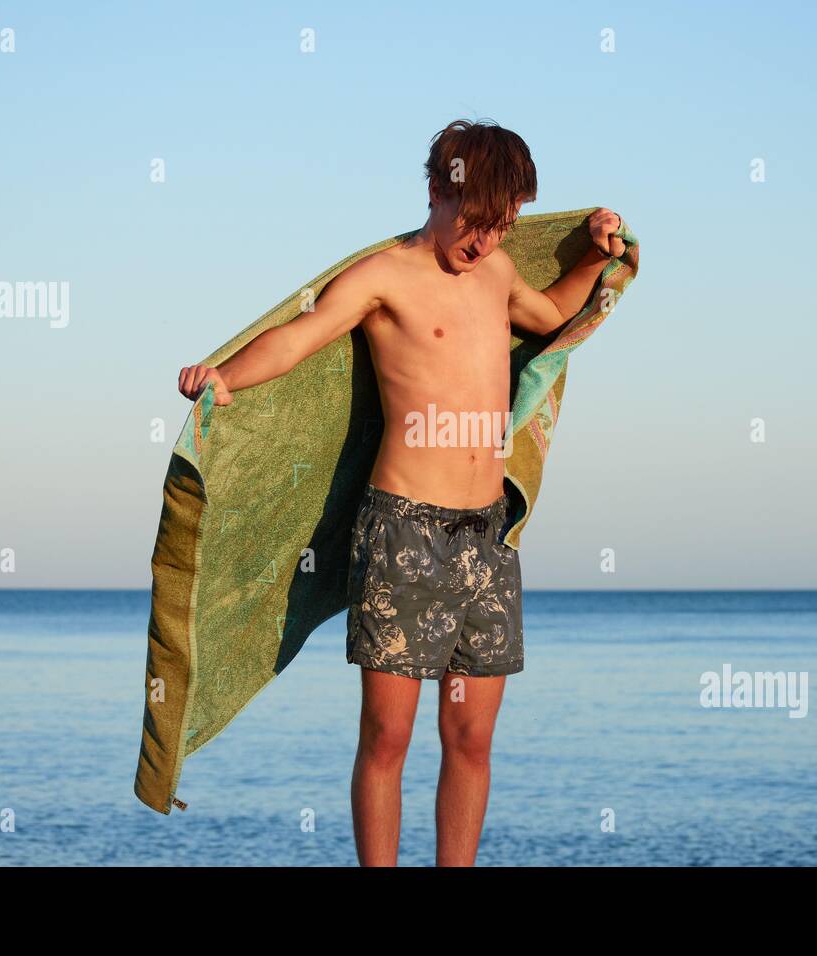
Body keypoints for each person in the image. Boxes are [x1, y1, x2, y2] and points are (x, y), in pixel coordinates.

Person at [177, 118, 625, 866]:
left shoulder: (496, 272)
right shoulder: (384, 278)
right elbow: (300, 336)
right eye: (477, 222)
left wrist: (593, 256)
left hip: (488, 534)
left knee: (471, 738)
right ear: (436, 190)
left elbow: (550, 316)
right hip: (404, 530)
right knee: (387, 738)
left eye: (502, 227)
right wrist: (225, 375)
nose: (484, 243)